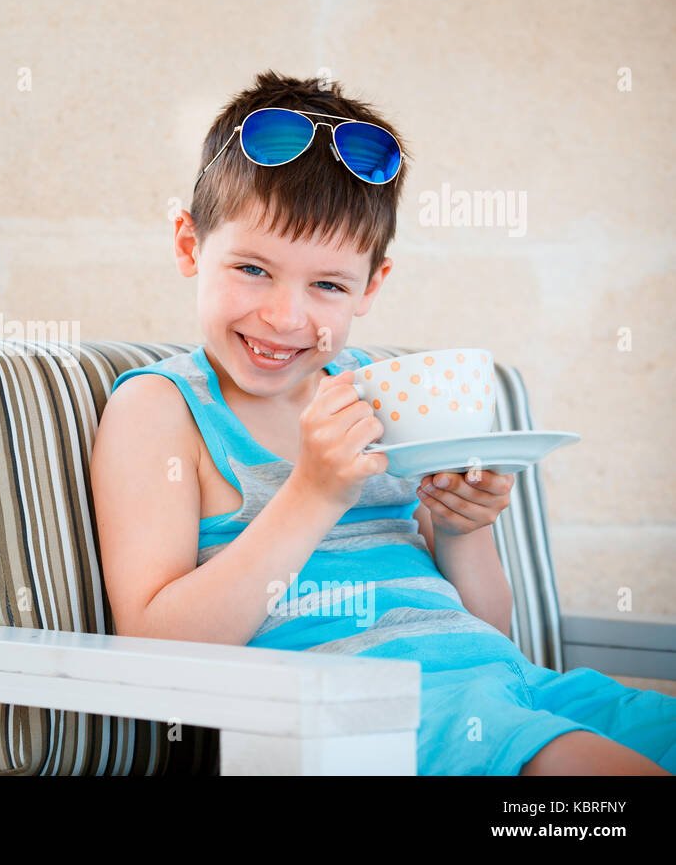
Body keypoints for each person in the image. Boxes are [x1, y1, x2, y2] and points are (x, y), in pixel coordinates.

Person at [91, 70, 676, 775]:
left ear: (371, 286)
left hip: (506, 686)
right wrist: (311, 495)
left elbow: (487, 627)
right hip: (366, 722)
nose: (285, 316)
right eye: (252, 268)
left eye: (327, 284)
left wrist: (462, 530)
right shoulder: (161, 411)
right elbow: (156, 651)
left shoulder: (379, 392)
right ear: (189, 246)